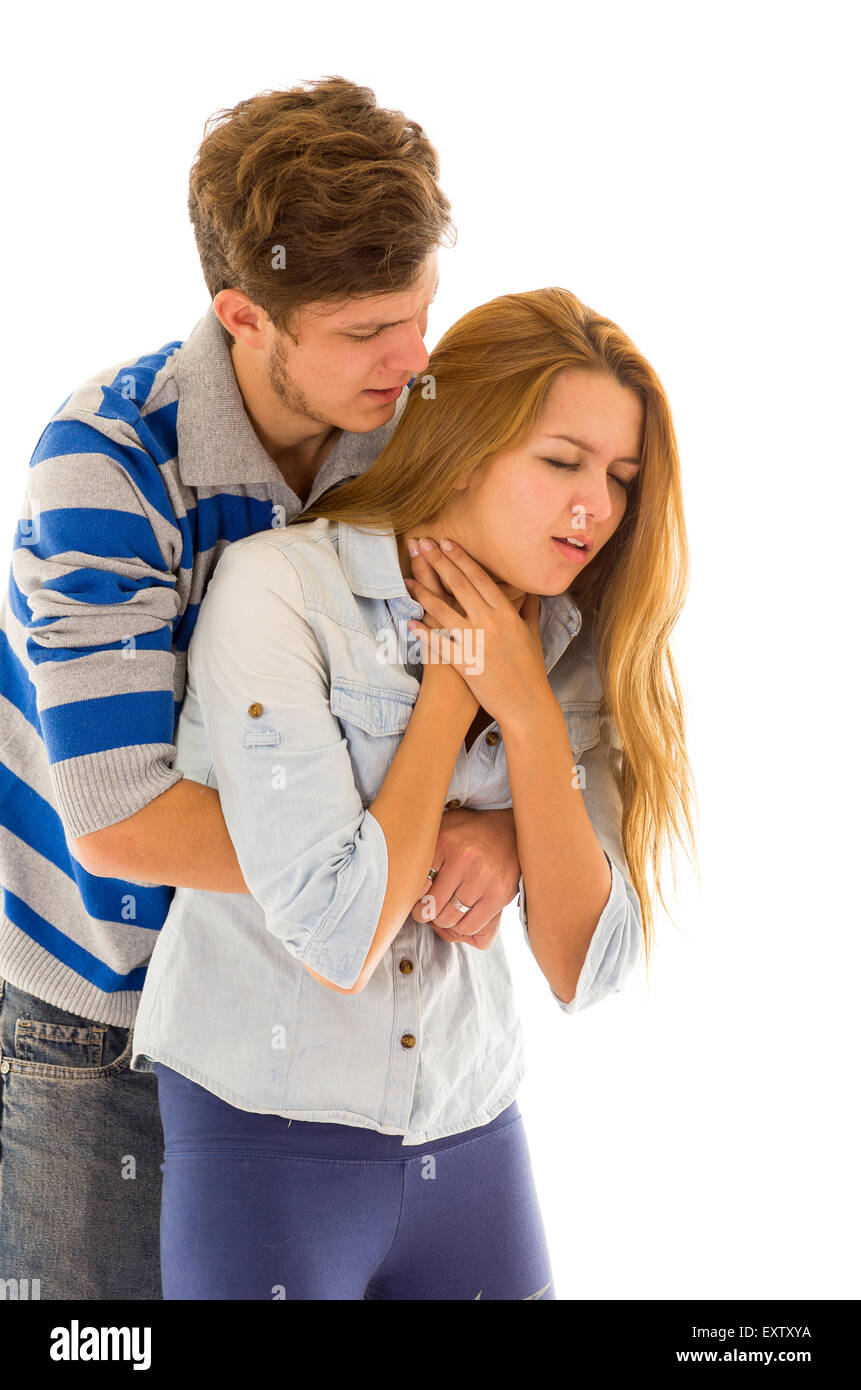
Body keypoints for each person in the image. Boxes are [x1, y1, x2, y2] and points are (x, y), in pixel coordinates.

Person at [0, 78, 523, 1301]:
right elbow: (123, 819)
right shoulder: (108, 461)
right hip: (103, 1032)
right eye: (362, 333)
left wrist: (500, 830)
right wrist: (388, 867)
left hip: (311, 1044)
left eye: (422, 311)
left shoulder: (418, 438)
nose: (414, 361)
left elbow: (513, 689)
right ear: (243, 313)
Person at [129, 285, 697, 1301]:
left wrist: (525, 723)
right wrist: (452, 685)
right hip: (265, 1132)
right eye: (562, 462)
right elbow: (339, 930)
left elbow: (588, 964)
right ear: (462, 443)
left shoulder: (573, 634)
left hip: (473, 1127)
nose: (597, 506)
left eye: (619, 475)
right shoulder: (283, 592)